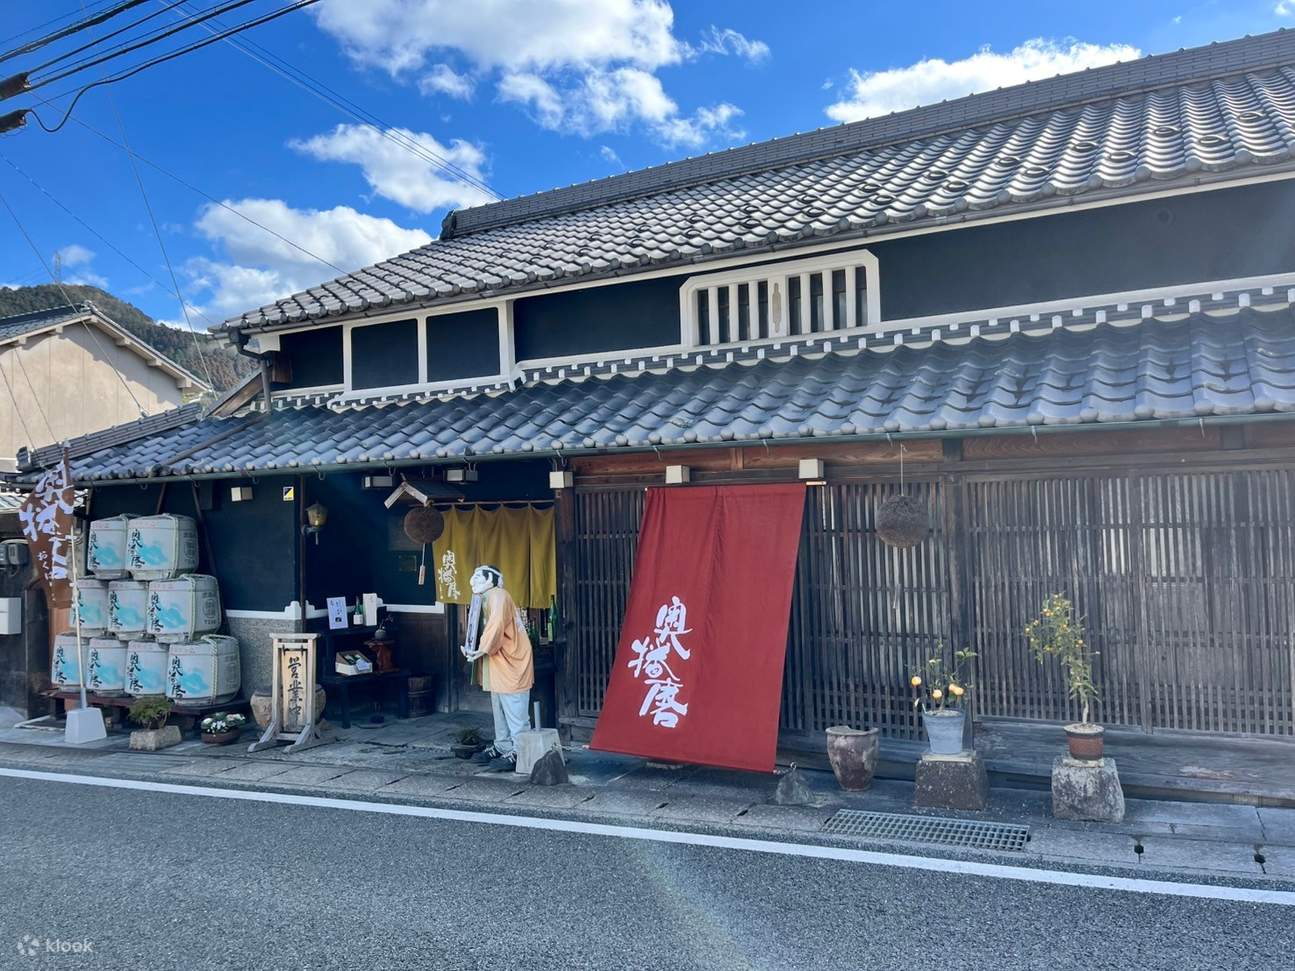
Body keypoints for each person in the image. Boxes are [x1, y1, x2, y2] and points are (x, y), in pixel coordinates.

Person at [462, 564, 534, 772]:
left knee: (514, 708)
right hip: (498, 660)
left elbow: (496, 624)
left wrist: (481, 648)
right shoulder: (485, 597)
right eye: (472, 576)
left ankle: (520, 750)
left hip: (512, 660)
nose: (472, 580)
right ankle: (503, 745)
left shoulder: (498, 595)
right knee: (499, 707)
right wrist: (474, 647)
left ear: (491, 580)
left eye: (478, 577)